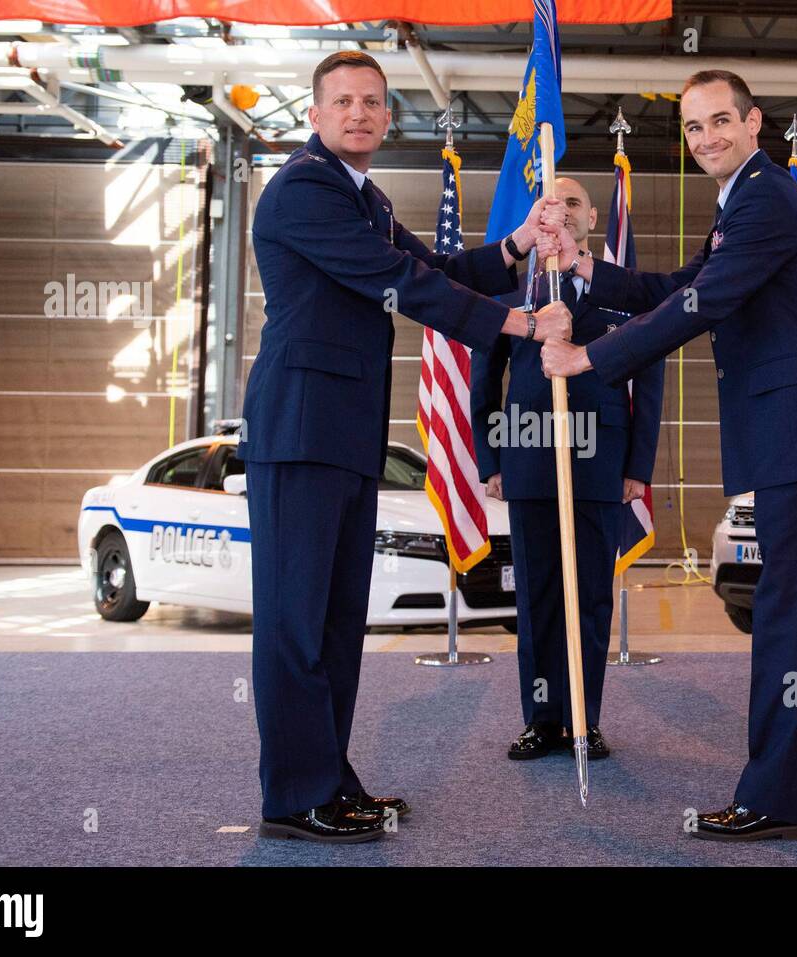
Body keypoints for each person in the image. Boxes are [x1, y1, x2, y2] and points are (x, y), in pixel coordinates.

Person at [541, 70, 797, 841]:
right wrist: (581, 268)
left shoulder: (765, 197)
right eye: (695, 127)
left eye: (720, 121)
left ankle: (779, 796)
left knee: (791, 617)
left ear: (755, 121)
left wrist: (589, 360)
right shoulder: (742, 202)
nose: (706, 138)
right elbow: (677, 285)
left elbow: (698, 307)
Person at [239, 50, 572, 845]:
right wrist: (518, 324)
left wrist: (521, 240)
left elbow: (441, 267)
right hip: (298, 430)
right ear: (314, 116)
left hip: (345, 433)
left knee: (333, 622)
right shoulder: (306, 190)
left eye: (372, 103)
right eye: (343, 101)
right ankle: (293, 797)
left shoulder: (365, 194)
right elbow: (400, 280)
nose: (358, 113)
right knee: (294, 622)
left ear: (390, 118)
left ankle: (329, 781)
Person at [470, 177, 664, 764]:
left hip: (600, 463)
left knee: (589, 599)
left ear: (591, 216)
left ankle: (585, 720)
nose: (562, 210)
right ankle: (542, 719)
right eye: (551, 202)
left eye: (573, 201)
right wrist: (490, 457)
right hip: (528, 460)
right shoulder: (513, 293)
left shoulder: (620, 290)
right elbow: (485, 380)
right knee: (537, 597)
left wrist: (639, 465)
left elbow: (649, 379)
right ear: (538, 215)